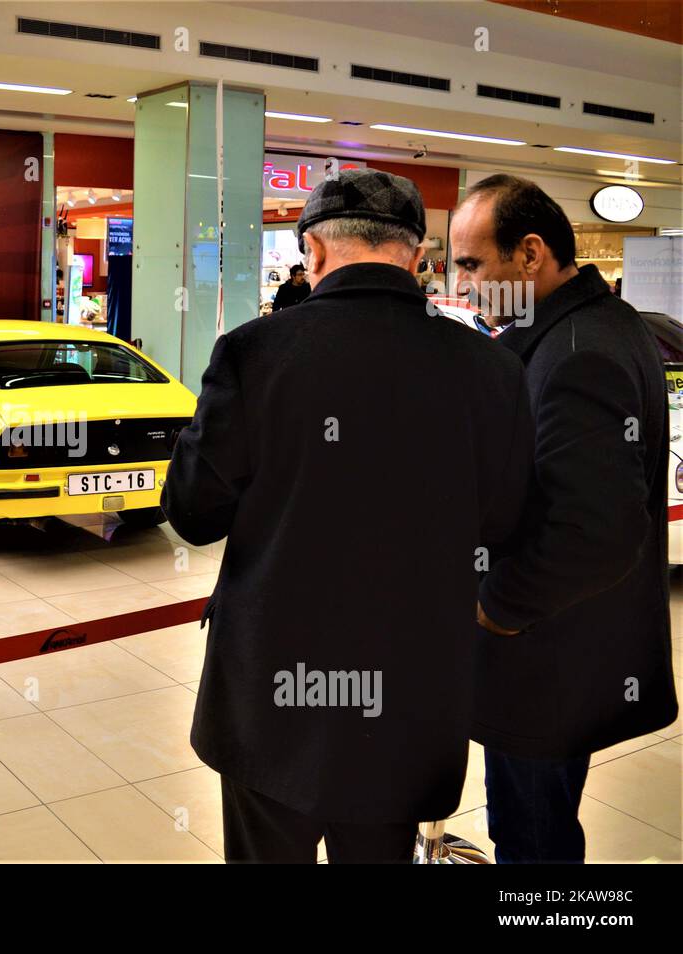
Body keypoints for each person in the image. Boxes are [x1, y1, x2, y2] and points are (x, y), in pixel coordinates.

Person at [163, 169, 534, 863]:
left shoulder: (252, 354)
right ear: (417, 255)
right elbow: (505, 521)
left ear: (315, 251)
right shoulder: (490, 369)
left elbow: (192, 514)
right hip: (413, 696)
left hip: (269, 699)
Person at [451, 174, 677, 864]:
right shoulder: (588, 326)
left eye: (471, 264)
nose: (462, 287)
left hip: (545, 660)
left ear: (529, 254)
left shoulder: (577, 354)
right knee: (534, 823)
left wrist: (499, 608)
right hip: (559, 651)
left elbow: (596, 530)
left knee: (533, 836)